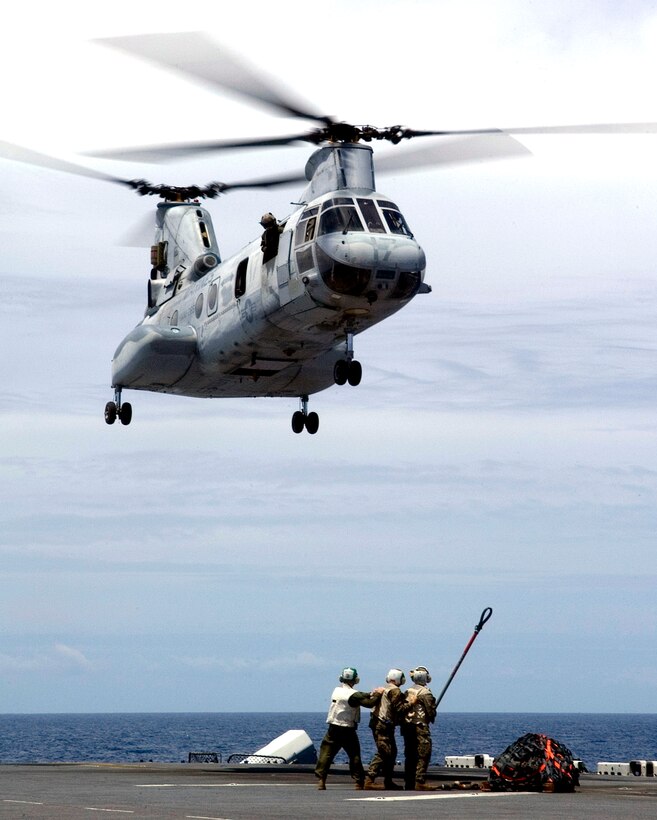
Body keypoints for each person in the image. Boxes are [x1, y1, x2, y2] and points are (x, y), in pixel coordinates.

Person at [314, 667, 383, 790]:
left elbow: (358, 695)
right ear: (355, 679)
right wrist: (378, 694)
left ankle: (321, 780)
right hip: (347, 729)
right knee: (354, 755)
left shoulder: (336, 690)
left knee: (326, 754)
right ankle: (358, 781)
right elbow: (369, 703)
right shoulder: (353, 695)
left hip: (333, 727)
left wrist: (369, 693)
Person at [364, 668, 414, 790]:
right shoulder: (394, 691)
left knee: (392, 752)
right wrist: (411, 703)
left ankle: (388, 780)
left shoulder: (384, 689)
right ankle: (369, 779)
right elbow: (400, 709)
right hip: (383, 725)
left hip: (380, 723)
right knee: (384, 751)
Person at [400, 665, 438, 790]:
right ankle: (419, 780)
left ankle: (409, 781)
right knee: (424, 753)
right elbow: (431, 713)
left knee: (410, 755)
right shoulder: (425, 693)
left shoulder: (408, 691)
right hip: (420, 726)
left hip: (407, 727)